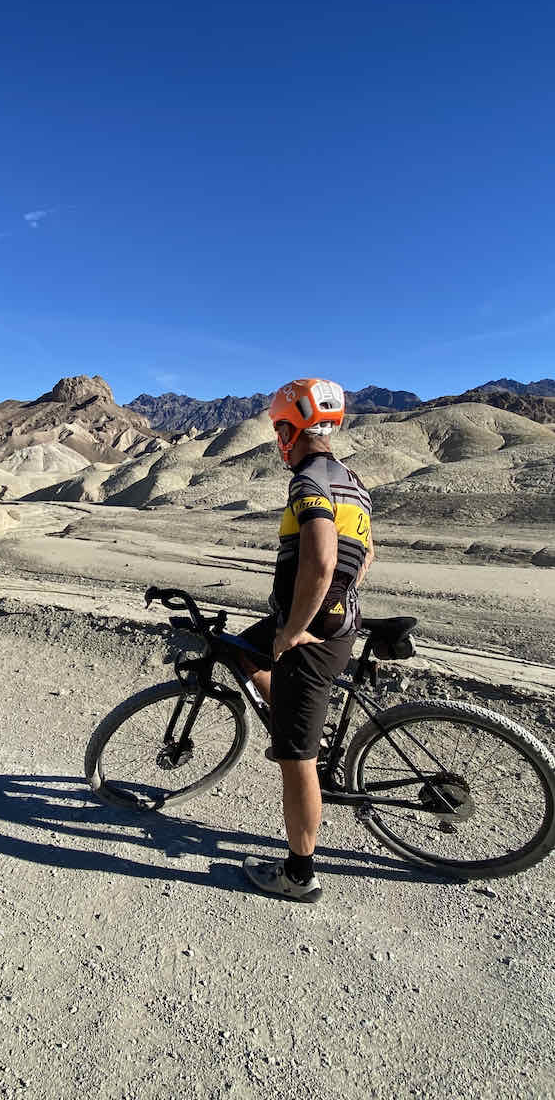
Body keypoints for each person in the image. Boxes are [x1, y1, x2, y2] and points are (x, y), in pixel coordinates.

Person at [239, 378, 374, 902]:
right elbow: (366, 555)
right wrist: (342, 600)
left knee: (297, 757)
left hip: (312, 636)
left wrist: (296, 629)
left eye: (279, 429)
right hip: (336, 622)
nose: (279, 440)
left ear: (291, 430)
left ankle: (299, 874)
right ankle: (291, 712)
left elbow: (320, 559)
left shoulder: (308, 481)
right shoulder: (352, 481)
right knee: (243, 648)